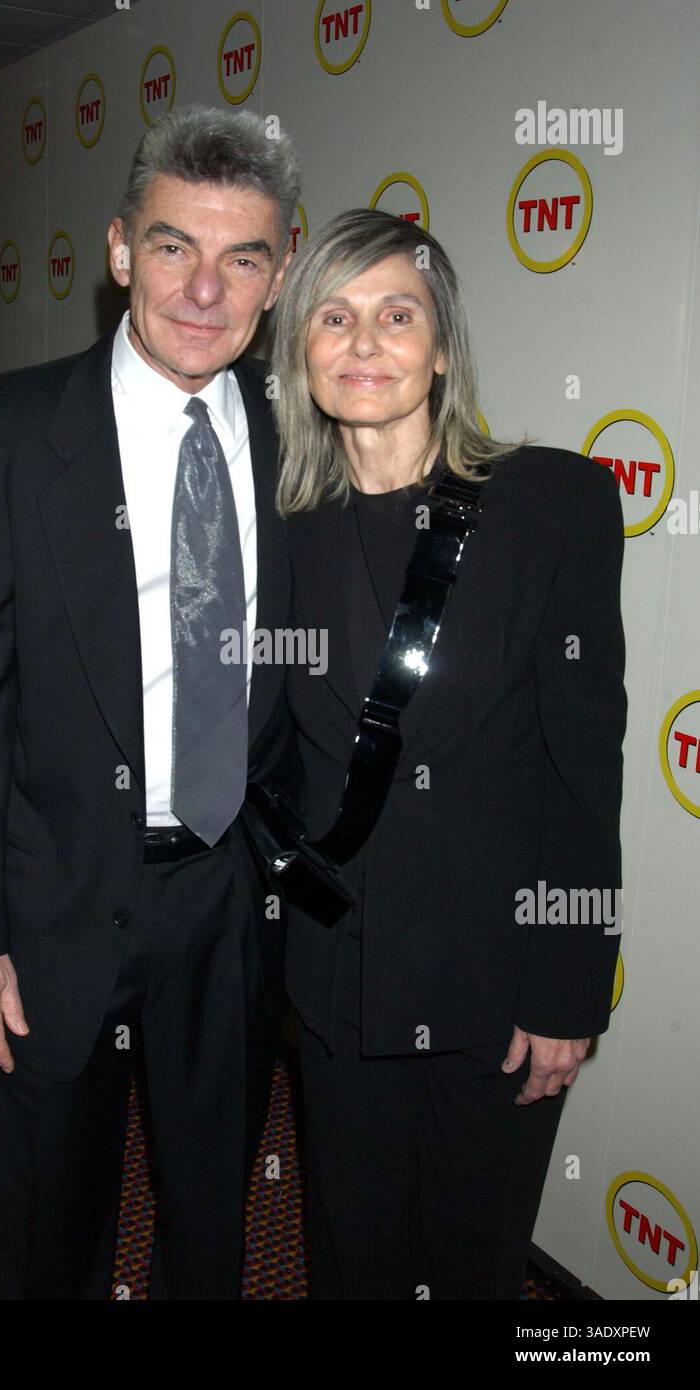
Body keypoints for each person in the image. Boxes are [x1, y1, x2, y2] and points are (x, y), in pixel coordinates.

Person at [0, 105, 299, 1300]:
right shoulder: (4, 434)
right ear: (121, 248)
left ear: (278, 276)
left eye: (242, 258)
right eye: (175, 246)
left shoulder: (303, 443)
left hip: (230, 898)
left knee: (210, 1216)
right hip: (50, 899)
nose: (203, 289)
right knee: (37, 1228)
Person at [270, 209, 626, 1300]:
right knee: (354, 1257)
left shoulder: (552, 503)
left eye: (396, 313)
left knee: (472, 1264)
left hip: (496, 978)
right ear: (300, 350)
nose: (364, 341)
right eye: (334, 315)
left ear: (440, 344)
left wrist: (568, 986)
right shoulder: (276, 524)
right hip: (340, 979)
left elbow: (584, 767)